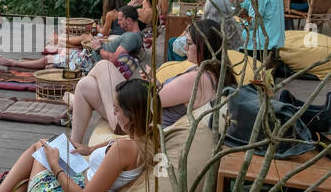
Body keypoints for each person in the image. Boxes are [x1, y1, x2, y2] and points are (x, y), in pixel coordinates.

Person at [0, 78, 155, 192]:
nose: (113, 114)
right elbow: (117, 146)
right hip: (80, 182)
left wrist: (55, 165)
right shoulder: (146, 137)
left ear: (131, 115)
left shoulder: (123, 150)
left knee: (39, 148)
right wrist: (89, 149)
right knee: (44, 148)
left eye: (116, 110)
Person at [67, 19, 229, 144]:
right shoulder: (211, 74)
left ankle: (74, 110)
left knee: (103, 65)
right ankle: (75, 144)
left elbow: (149, 101)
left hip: (134, 124)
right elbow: (167, 98)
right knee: (85, 85)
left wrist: (150, 86)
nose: (185, 48)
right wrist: (156, 83)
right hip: (142, 117)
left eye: (189, 44)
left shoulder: (196, 79)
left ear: (203, 47)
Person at [0, 5, 144, 72]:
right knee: (59, 55)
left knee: (47, 60)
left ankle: (12, 62)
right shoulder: (133, 36)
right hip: (88, 57)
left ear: (129, 20)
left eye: (120, 20)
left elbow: (113, 59)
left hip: (89, 61)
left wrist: (98, 48)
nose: (118, 23)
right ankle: (20, 64)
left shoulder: (131, 37)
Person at [51, 0, 124, 47]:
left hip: (114, 41)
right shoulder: (124, 11)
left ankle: (59, 40)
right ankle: (61, 40)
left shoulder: (111, 14)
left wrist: (98, 27)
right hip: (120, 39)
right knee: (87, 37)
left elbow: (103, 33)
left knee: (85, 36)